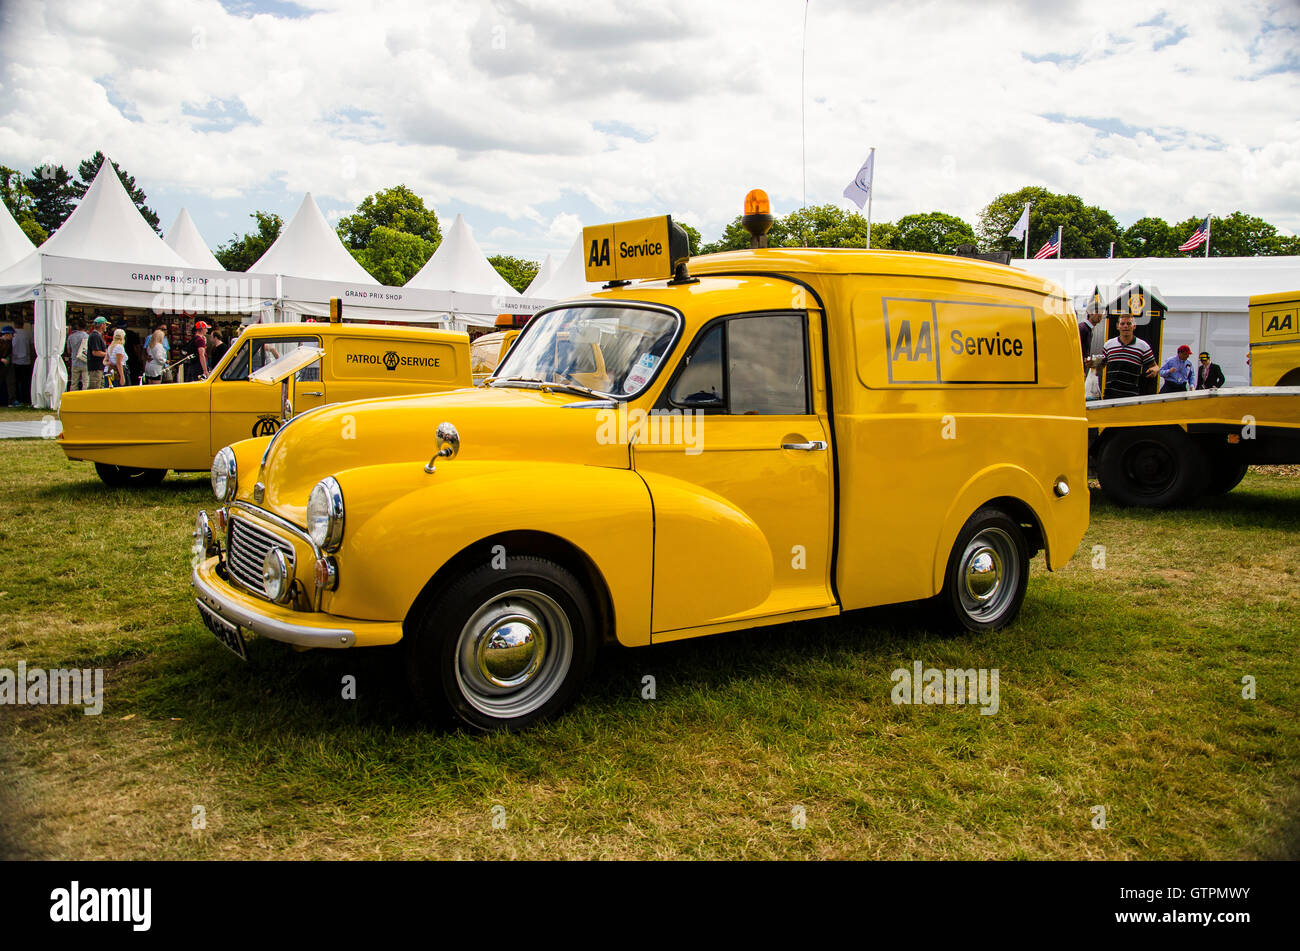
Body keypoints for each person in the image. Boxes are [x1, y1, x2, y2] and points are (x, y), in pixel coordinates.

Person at [1091, 314, 1157, 399]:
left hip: (1131, 396)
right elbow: (1101, 366)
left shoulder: (1143, 346)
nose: (1125, 326)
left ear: (1134, 326)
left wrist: (1154, 370)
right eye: (1122, 324)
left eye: (1129, 323)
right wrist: (1093, 364)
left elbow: (1155, 366)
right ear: (1118, 326)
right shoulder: (1109, 345)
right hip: (1110, 394)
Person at [10, 317, 33, 406]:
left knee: (14, 382)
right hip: (26, 361)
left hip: (15, 361)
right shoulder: (28, 334)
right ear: (23, 325)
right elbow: (31, 347)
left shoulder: (13, 334)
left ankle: (16, 399)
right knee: (26, 382)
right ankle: (26, 399)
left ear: (15, 324)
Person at [67, 318, 90, 391]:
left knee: (74, 383)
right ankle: (85, 398)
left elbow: (69, 351)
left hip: (75, 362)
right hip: (85, 362)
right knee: (86, 383)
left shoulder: (71, 337)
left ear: (77, 326)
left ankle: (73, 398)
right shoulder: (87, 336)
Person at [87, 316, 109, 389]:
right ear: (102, 325)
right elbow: (95, 352)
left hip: (98, 367)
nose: (106, 326)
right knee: (95, 388)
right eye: (105, 324)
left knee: (100, 387)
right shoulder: (95, 336)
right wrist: (108, 355)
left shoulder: (96, 336)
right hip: (95, 368)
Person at [0, 326, 12, 405]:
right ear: (7, 334)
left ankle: (4, 402)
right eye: (11, 334)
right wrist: (1, 359)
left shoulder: (9, 343)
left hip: (4, 368)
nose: (12, 336)